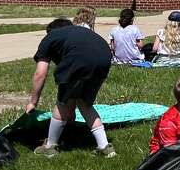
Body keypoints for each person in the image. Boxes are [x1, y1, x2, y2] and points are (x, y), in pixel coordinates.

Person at [26, 17, 116, 159]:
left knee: (63, 103)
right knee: (85, 103)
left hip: (78, 60)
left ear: (49, 32)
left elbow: (40, 74)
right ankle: (105, 146)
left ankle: (50, 146)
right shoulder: (80, 32)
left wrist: (33, 102)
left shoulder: (50, 38)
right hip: (104, 57)